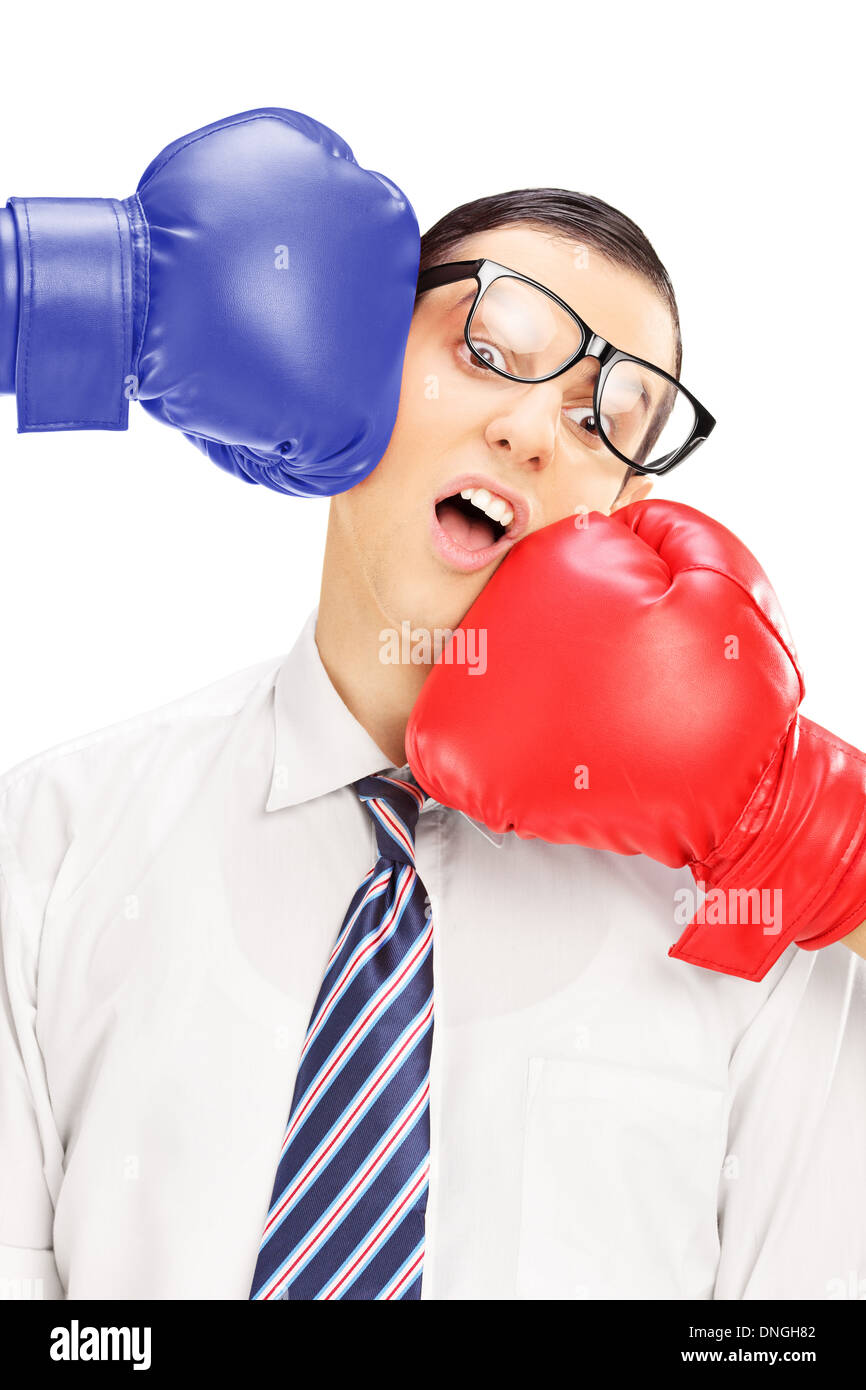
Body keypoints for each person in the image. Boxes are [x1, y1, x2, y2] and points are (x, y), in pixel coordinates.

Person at [1, 188, 864, 1302]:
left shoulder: (747, 924)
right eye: (492, 350)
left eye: (607, 417)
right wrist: (80, 288)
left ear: (627, 511)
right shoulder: (49, 844)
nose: (531, 430)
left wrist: (822, 836)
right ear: (348, 371)